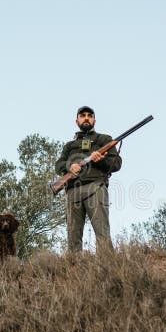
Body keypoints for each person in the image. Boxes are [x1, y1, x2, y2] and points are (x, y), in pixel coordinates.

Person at [55, 106, 122, 253]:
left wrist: (100, 160)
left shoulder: (104, 139)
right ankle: (72, 271)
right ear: (77, 120)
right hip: (73, 192)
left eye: (89, 116)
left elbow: (116, 164)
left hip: (96, 187)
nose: (86, 118)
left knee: (102, 232)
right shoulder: (69, 146)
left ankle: (107, 269)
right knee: (73, 236)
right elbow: (58, 165)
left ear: (94, 120)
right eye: (83, 115)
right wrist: (69, 166)